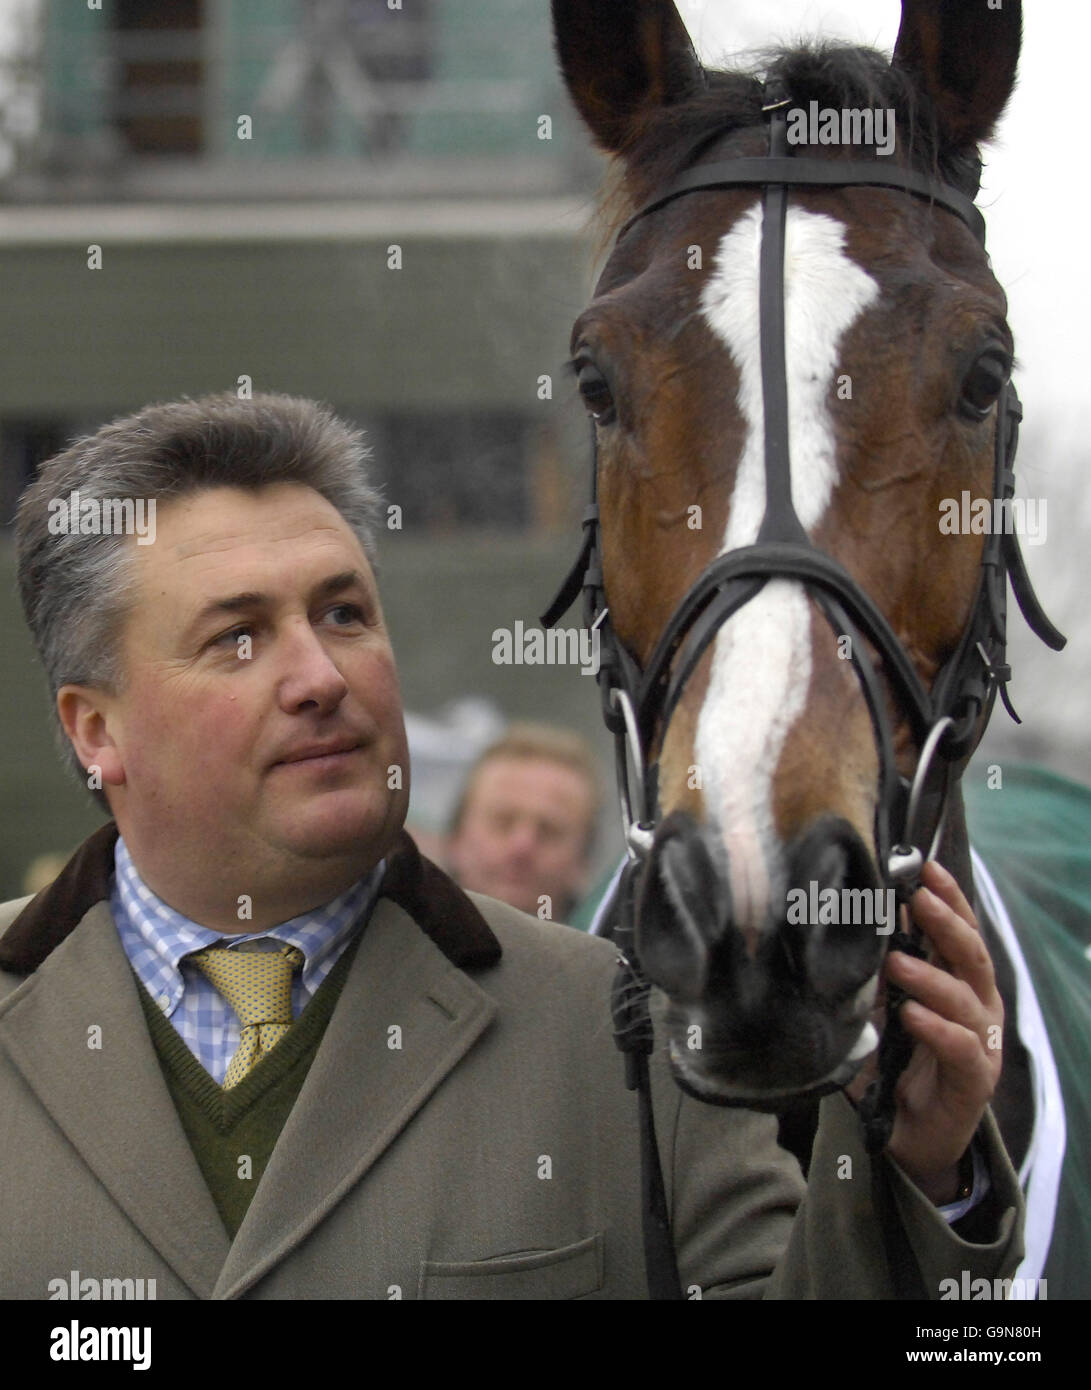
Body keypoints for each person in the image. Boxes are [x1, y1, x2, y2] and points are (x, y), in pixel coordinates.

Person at [0, 392, 1023, 1299]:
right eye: (237, 636)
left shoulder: (626, 1031)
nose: (319, 675)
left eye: (343, 612)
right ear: (97, 729)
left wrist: (910, 1172)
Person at [444, 723, 600, 922]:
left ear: (582, 860)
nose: (522, 847)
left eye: (549, 831)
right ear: (456, 838)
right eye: (502, 822)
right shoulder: (396, 938)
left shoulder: (615, 951)